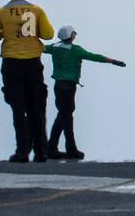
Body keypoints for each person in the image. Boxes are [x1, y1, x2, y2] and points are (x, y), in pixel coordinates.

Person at [0, 0, 54, 162]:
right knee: (36, 107)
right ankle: (41, 151)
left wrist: (3, 32)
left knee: (17, 108)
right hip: (33, 62)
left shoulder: (0, 13)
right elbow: (48, 35)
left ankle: (22, 151)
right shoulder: (36, 10)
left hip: (11, 63)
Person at [43, 25, 125, 160]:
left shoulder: (54, 47)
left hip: (58, 85)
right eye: (74, 32)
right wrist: (113, 61)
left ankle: (57, 147)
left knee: (64, 115)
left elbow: (39, 48)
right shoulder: (75, 50)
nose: (76, 34)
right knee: (66, 116)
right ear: (70, 35)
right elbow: (94, 57)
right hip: (68, 86)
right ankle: (64, 148)